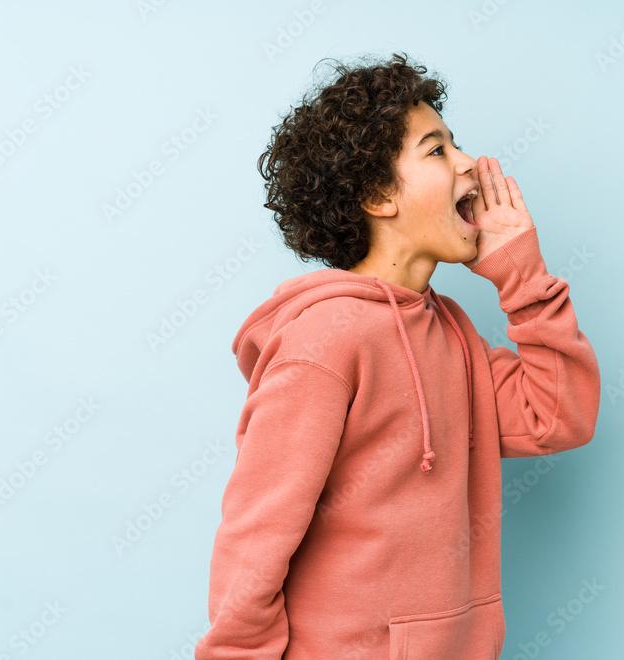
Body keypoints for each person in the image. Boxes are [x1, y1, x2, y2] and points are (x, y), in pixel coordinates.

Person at [194, 51, 601, 659]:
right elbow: (256, 535)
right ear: (379, 194)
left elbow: (557, 416)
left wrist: (523, 278)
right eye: (437, 150)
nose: (469, 163)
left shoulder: (452, 332)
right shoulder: (326, 339)